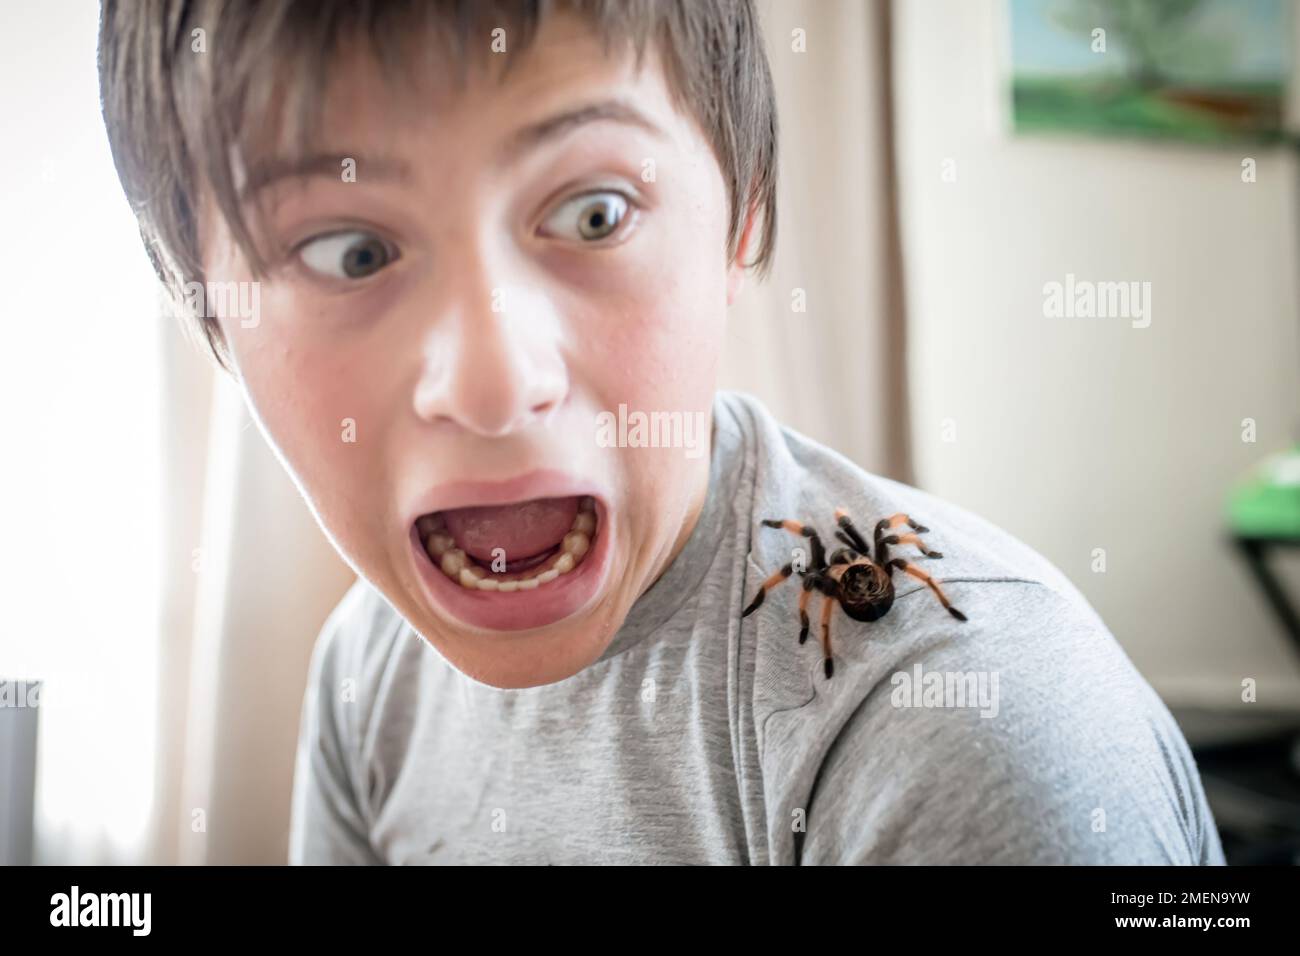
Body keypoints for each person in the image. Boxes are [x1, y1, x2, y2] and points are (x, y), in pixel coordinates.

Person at [98, 0, 1225, 865]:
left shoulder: (967, 729)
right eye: (350, 251)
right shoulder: (365, 675)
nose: (494, 387)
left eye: (593, 212)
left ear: (744, 219)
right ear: (209, 311)